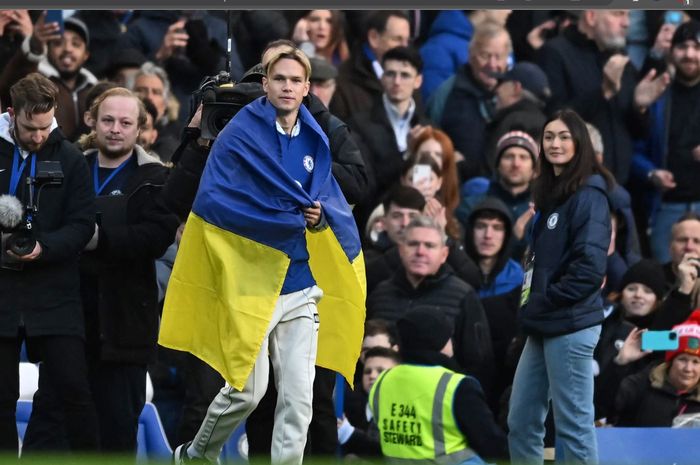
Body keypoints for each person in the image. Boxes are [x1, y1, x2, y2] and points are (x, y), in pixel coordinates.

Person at [162, 45, 364, 465]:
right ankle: (196, 454)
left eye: (295, 80)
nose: (287, 87)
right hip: (250, 281)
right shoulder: (239, 134)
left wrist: (318, 217)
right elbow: (217, 202)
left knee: (299, 398)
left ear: (307, 88)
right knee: (247, 393)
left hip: (299, 283)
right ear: (266, 85)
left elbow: (333, 200)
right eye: (280, 79)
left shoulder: (317, 137)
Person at [23, 87, 179, 453]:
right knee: (50, 427)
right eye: (107, 120)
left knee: (114, 433)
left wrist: (97, 238)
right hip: (67, 318)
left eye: (126, 122)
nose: (115, 129)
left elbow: (155, 237)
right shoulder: (63, 164)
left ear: (141, 128)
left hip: (124, 326)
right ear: (91, 119)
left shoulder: (156, 177)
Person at [507, 109, 614, 465]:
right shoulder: (553, 197)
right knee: (520, 422)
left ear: (579, 143)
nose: (554, 143)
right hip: (543, 323)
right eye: (549, 136)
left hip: (570, 324)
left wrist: (544, 301)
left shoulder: (590, 197)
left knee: (573, 426)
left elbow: (588, 269)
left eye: (564, 136)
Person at [0, 73, 99, 453]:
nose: (38, 136)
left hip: (55, 291)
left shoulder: (71, 158)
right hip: (3, 293)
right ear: (12, 114)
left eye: (45, 127)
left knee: (72, 389)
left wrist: (45, 248)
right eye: (29, 127)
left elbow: (82, 223)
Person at [537, 9, 669, 185]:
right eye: (618, 14)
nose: (626, 23)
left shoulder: (619, 56)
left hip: (621, 185)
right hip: (574, 184)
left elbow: (639, 133)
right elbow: (554, 121)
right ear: (591, 17)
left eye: (628, 15)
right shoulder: (555, 52)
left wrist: (639, 107)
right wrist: (603, 92)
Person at [367, 215, 494, 393]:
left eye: (429, 245)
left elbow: (480, 365)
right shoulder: (379, 295)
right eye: (413, 244)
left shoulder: (464, 296)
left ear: (444, 255)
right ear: (401, 250)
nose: (420, 251)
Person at [369, 307, 509, 464]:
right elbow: (492, 444)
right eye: (449, 337)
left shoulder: (382, 381)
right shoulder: (457, 385)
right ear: (439, 343)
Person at [630, 20, 700, 263]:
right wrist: (651, 174)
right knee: (664, 277)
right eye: (682, 47)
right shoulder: (658, 93)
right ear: (671, 51)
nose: (690, 54)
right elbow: (632, 149)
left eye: (696, 47)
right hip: (665, 206)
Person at [348, 45, 429, 231]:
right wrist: (407, 154)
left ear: (418, 81)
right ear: (382, 78)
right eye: (390, 74)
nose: (397, 81)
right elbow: (366, 183)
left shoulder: (428, 127)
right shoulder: (359, 125)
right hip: (374, 221)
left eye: (405, 75)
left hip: (420, 221)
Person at [431, 21, 512, 181]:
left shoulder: (516, 93)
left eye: (499, 57)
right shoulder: (447, 92)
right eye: (485, 55)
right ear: (470, 55)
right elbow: (431, 131)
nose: (492, 64)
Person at [613, 310, 700, 426]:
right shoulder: (640, 385)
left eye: (696, 362)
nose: (688, 368)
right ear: (670, 362)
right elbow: (600, 408)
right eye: (682, 359)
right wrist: (621, 362)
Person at [330, 10, 411, 121]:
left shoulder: (410, 75)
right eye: (397, 39)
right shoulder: (343, 82)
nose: (404, 47)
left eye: (407, 41)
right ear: (374, 38)